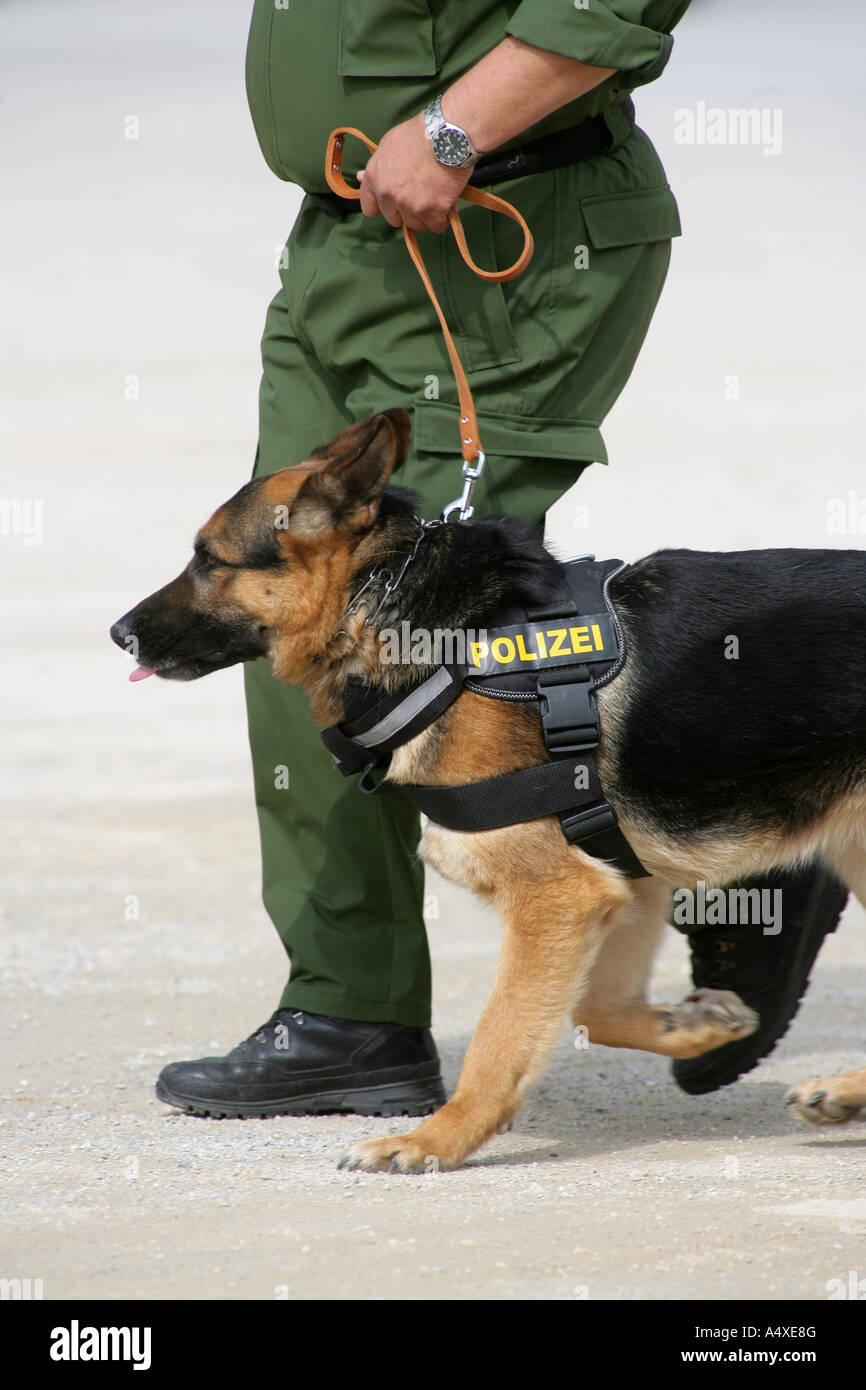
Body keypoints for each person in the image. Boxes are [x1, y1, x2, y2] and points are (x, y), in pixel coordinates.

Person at [156, 1, 847, 1119]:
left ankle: (758, 844)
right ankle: (351, 1009)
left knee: (447, 669)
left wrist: (453, 128)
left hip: (495, 220)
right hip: (341, 238)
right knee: (298, 642)